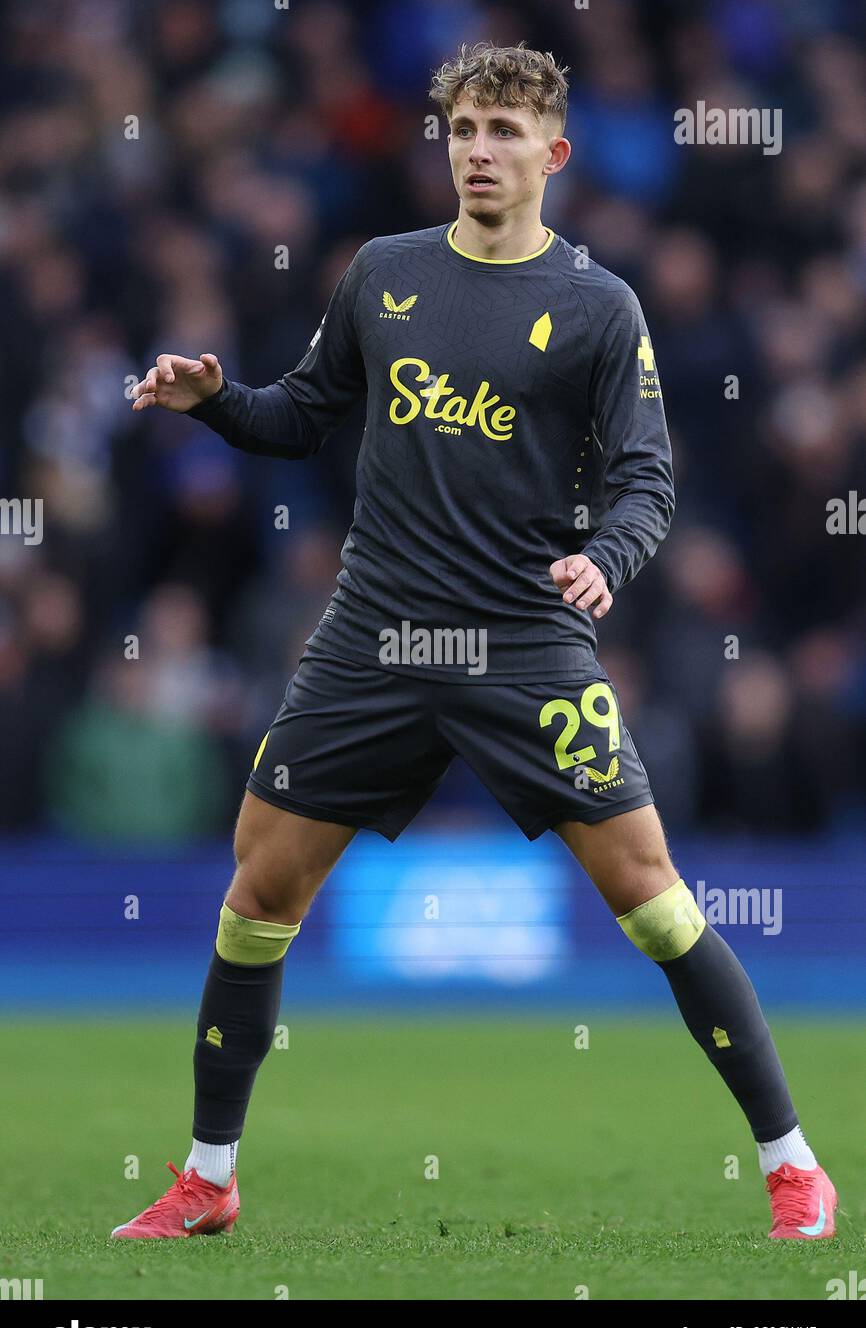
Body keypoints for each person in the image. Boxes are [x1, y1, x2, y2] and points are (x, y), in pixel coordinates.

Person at [111, 41, 836, 1242]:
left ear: (552, 154)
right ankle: (208, 1177)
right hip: (371, 637)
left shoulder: (599, 307)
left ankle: (791, 1167)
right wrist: (217, 400)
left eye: (503, 132)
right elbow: (304, 413)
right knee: (255, 894)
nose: (478, 152)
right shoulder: (380, 273)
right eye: (461, 130)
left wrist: (601, 561)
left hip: (521, 640)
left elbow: (648, 482)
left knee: (653, 901)